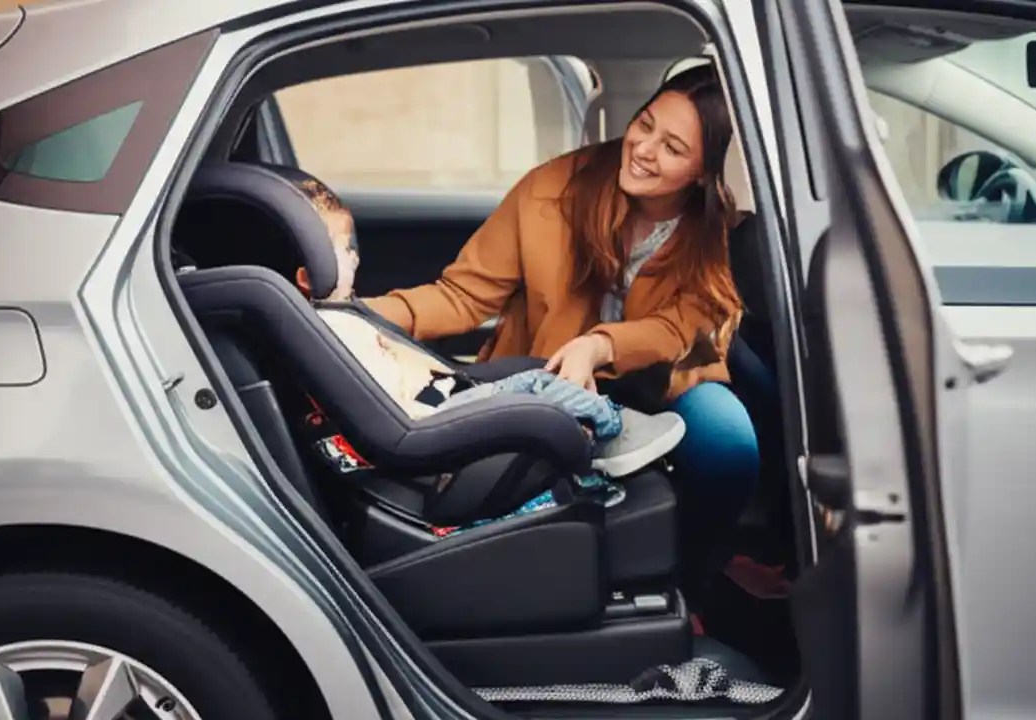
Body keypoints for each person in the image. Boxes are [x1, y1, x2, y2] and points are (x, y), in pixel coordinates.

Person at [360, 66, 762, 580]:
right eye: (644, 124)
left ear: (705, 172)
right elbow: (461, 296)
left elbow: (683, 326)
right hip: (550, 375)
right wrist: (356, 316)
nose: (642, 148)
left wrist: (599, 345)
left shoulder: (717, 228)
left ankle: (698, 578)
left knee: (729, 444)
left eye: (672, 148)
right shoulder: (553, 191)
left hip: (663, 379)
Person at [290, 176, 687, 481]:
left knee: (534, 380)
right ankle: (613, 427)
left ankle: (599, 425)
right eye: (344, 249)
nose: (356, 256)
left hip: (438, 401)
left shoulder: (335, 321)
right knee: (538, 386)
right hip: (427, 416)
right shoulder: (332, 328)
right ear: (308, 275)